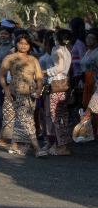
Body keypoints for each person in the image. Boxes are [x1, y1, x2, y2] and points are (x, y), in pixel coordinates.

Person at [0, 32, 42, 155]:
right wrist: (5, 89)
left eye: (26, 44)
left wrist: (38, 90)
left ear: (30, 46)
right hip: (15, 91)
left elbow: (39, 77)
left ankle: (14, 145)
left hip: (30, 93)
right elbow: (1, 75)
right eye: (21, 43)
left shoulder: (33, 59)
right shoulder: (10, 57)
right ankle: (37, 147)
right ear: (16, 44)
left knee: (23, 120)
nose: (23, 46)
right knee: (26, 120)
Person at [40, 29, 73, 157]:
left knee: (55, 116)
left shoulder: (57, 50)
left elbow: (58, 68)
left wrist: (45, 72)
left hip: (56, 84)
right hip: (65, 83)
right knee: (61, 116)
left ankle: (61, 146)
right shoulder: (67, 51)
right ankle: (59, 144)